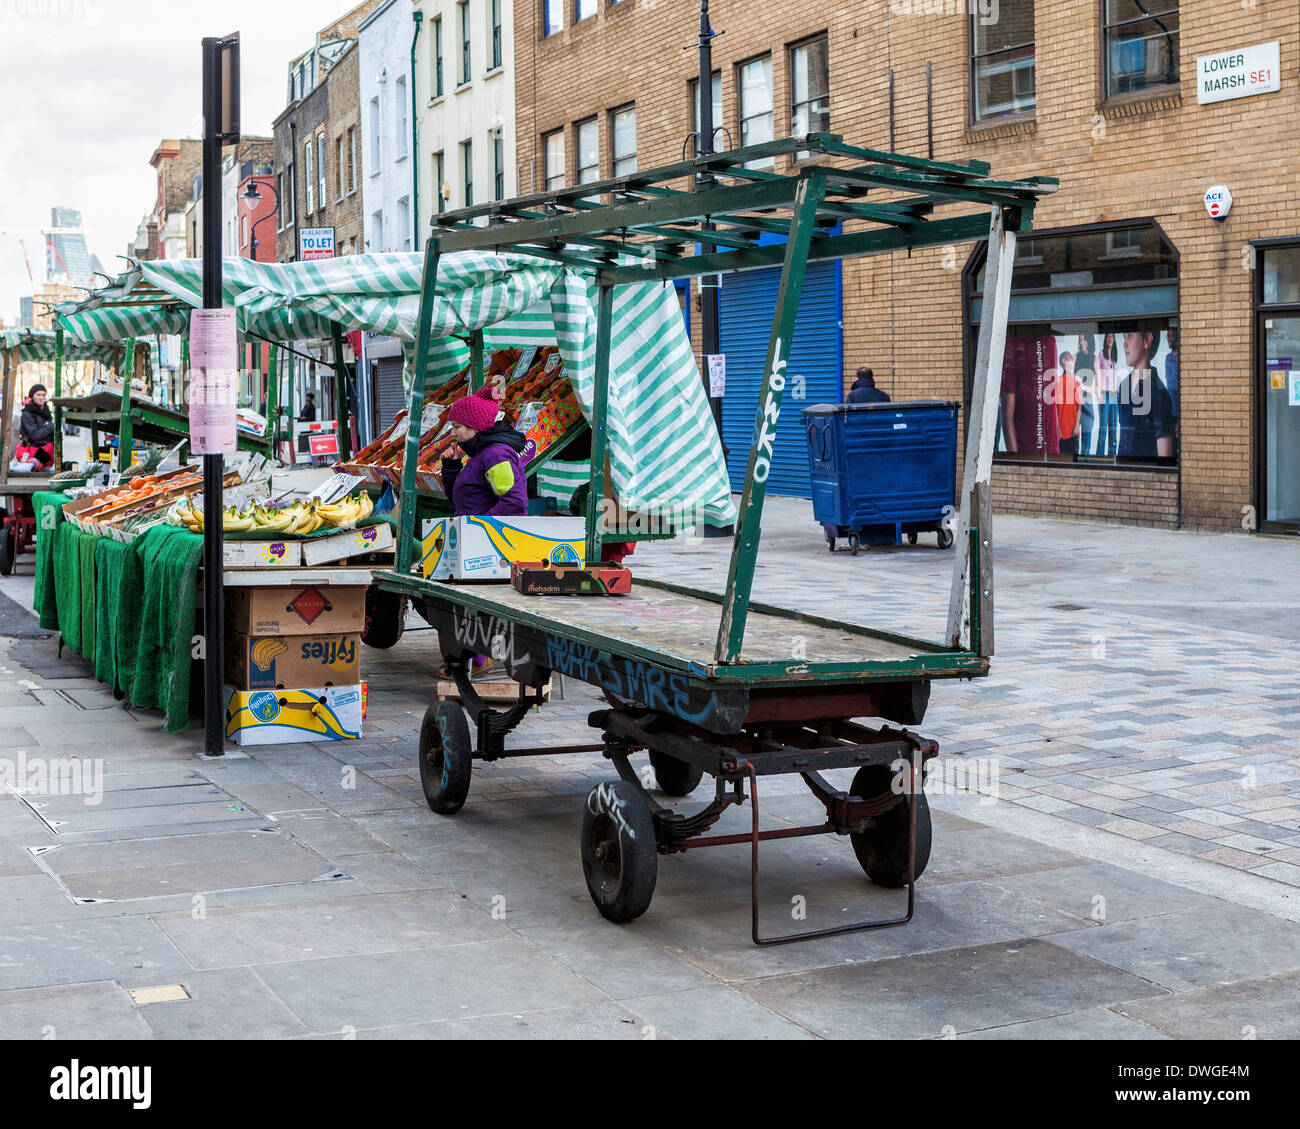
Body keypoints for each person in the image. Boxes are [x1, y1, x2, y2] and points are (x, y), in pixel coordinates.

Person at [439, 387, 530, 517]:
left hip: (492, 535)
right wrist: (451, 469)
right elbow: (464, 503)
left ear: (475, 427)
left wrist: (479, 527)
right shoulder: (479, 455)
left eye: (457, 426)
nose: (453, 433)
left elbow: (513, 502)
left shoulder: (496, 455)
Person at [1115, 329, 1175, 460]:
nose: (1124, 343)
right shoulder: (1123, 386)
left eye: (1129, 336)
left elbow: (1164, 461)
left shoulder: (1160, 395)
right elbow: (1124, 436)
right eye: (1124, 337)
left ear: (1147, 340)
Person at [19, 384, 56, 469]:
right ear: (32, 396)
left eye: (43, 395)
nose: (41, 397)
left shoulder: (46, 412)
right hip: (32, 454)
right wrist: (51, 425)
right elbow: (35, 435)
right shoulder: (27, 414)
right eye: (38, 395)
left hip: (46, 455)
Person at [1055, 352, 1083, 455]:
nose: (1067, 361)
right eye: (1065, 359)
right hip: (1061, 433)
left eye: (1069, 359)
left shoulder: (1077, 383)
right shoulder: (1057, 382)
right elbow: (1055, 409)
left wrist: (1076, 426)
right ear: (1061, 363)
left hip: (1073, 431)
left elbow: (1079, 407)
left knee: (1073, 461)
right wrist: (1057, 429)